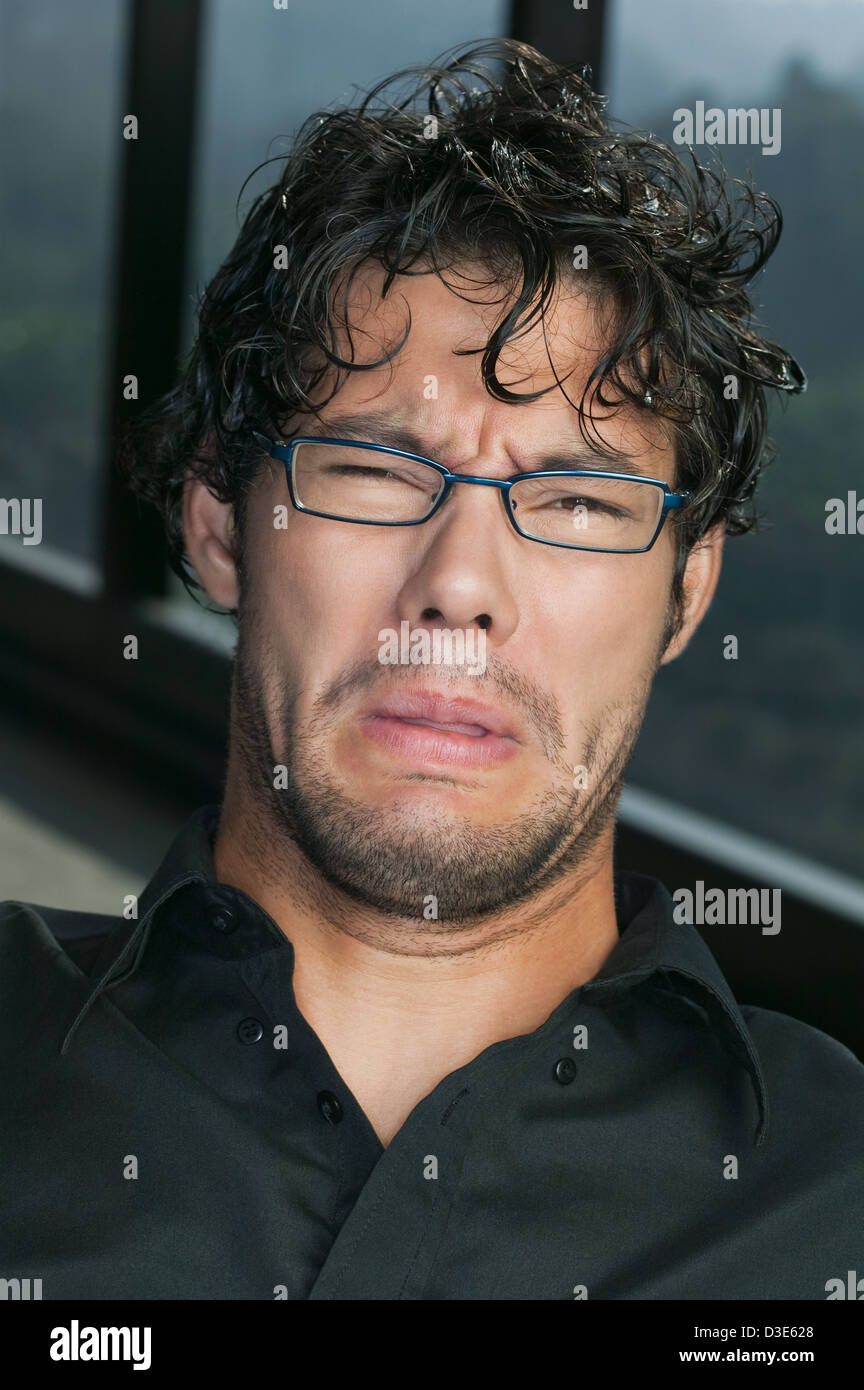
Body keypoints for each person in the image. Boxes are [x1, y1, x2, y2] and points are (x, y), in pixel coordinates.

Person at [2, 39, 861, 1301]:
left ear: (688, 590)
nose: (458, 587)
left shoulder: (835, 1206)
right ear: (216, 527)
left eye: (575, 500)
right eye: (377, 471)